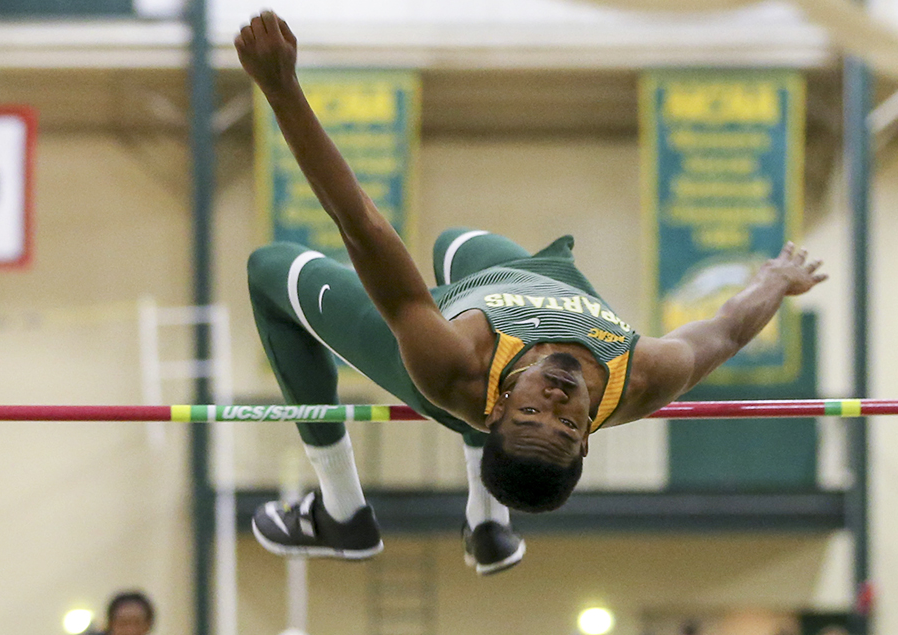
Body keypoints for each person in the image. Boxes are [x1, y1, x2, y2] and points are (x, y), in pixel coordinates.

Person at [237, 11, 827, 575]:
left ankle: (341, 512)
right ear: (587, 441)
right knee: (456, 241)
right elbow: (724, 330)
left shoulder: (452, 365)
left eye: (531, 412)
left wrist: (282, 89)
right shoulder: (641, 377)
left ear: (496, 408)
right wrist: (777, 279)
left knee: (270, 268)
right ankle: (488, 522)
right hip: (523, 280)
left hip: (453, 323)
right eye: (568, 424)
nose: (557, 398)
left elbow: (360, 223)